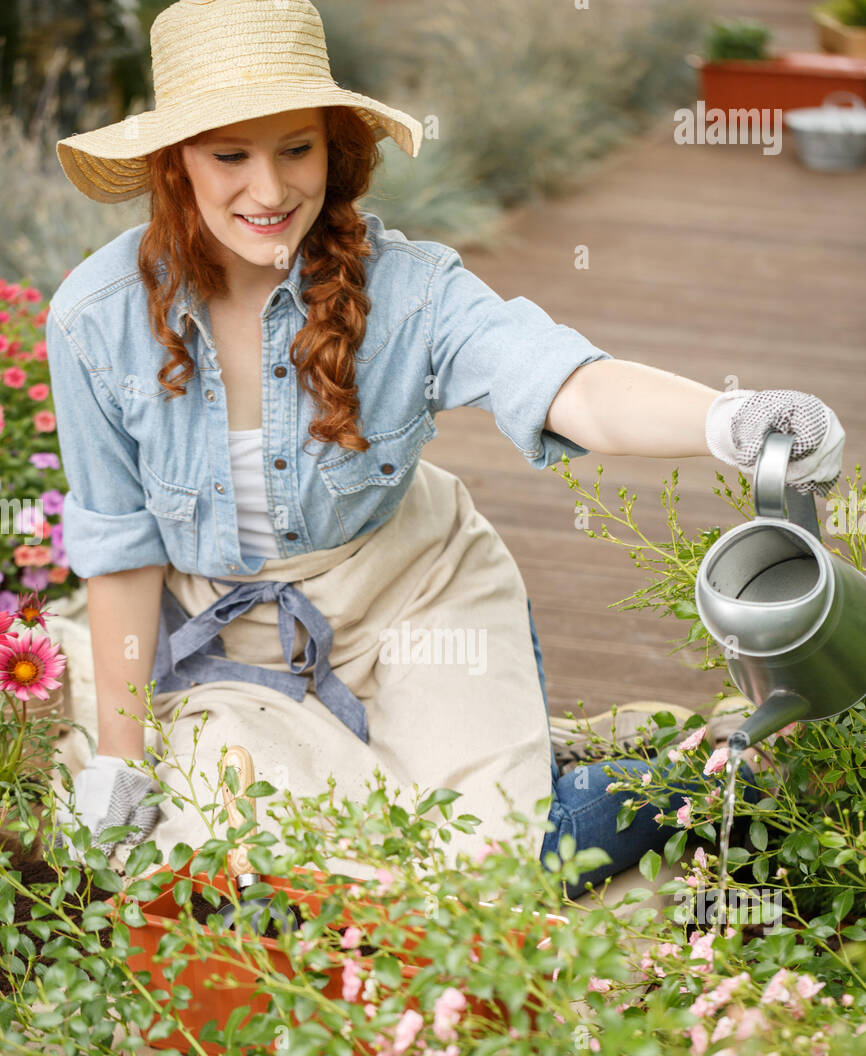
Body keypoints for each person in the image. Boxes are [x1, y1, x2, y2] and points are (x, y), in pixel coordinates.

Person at [46, 0, 843, 897]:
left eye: (295, 148)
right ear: (173, 161)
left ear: (333, 149)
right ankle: (565, 761)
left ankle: (690, 780)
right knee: (245, 865)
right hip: (233, 642)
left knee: (492, 868)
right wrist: (122, 759)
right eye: (230, 154)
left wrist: (732, 421)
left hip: (418, 597)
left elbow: (566, 383)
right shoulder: (94, 320)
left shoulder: (412, 291)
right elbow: (120, 552)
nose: (268, 192)